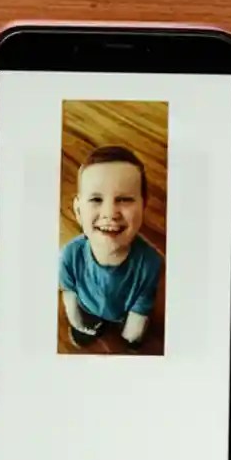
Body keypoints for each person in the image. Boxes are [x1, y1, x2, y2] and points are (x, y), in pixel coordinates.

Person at [59, 145, 163, 351]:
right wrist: (77, 321)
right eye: (96, 199)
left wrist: (131, 334)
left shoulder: (150, 263)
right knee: (84, 329)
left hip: (123, 313)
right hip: (87, 309)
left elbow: (141, 306)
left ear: (143, 207)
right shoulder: (69, 255)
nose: (110, 212)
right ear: (78, 210)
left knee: (133, 337)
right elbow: (69, 293)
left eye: (124, 199)